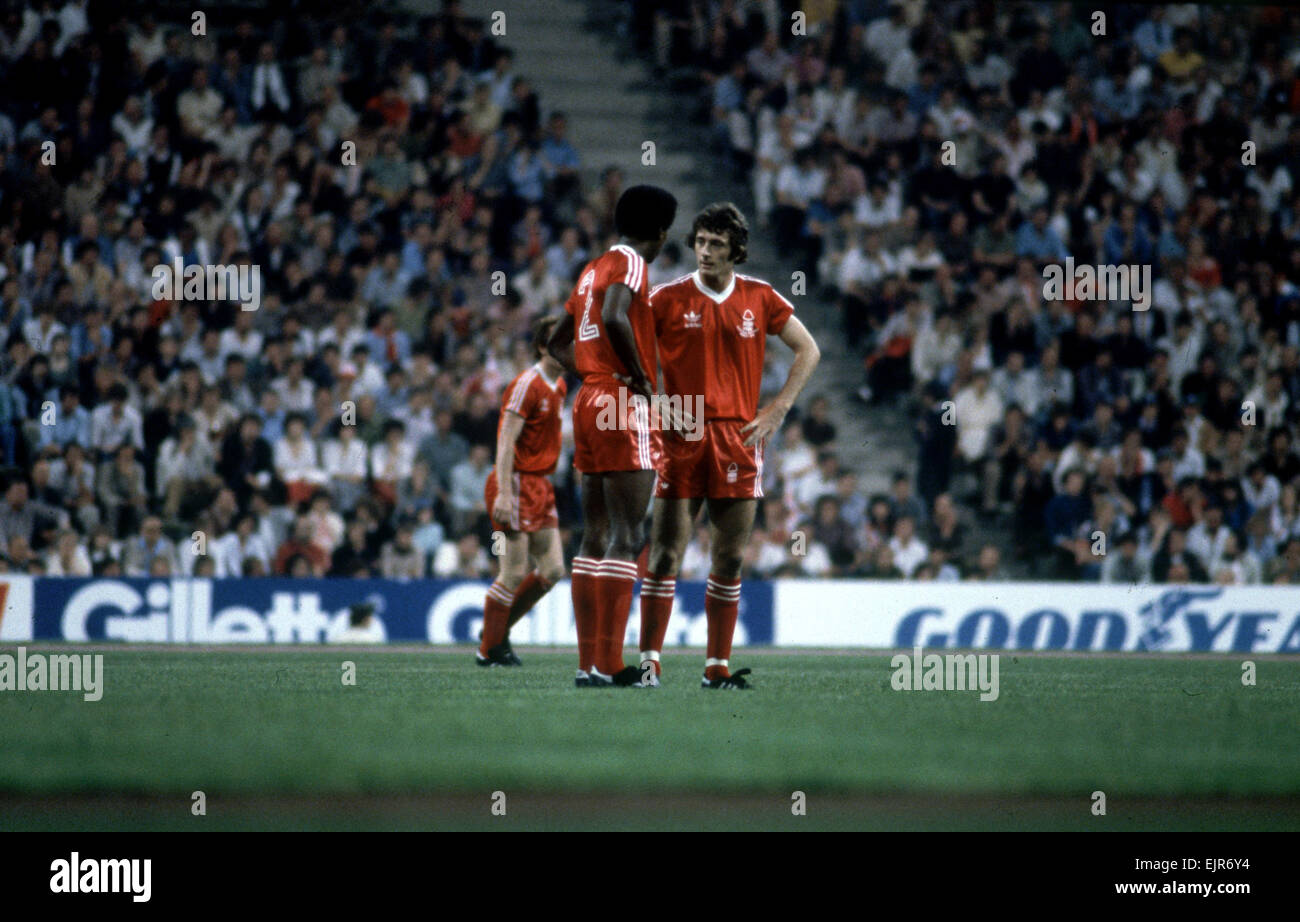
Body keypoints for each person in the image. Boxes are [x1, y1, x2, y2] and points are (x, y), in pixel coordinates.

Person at [640, 202, 821, 688]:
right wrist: (654, 400)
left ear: (736, 250)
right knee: (664, 555)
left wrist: (779, 407)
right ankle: (648, 662)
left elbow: (809, 349)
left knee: (730, 558)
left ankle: (715, 667)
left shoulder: (760, 297)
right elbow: (626, 349)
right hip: (684, 435)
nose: (705, 251)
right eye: (700, 242)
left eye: (716, 244)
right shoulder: (666, 298)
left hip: (738, 438)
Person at [547, 184, 678, 687]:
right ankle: (609, 664)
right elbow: (615, 316)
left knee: (594, 535)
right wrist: (642, 378)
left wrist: (592, 373)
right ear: (661, 231)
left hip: (587, 401)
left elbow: (558, 340)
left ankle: (588, 667)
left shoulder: (590, 268)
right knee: (630, 535)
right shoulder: (631, 263)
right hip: (622, 400)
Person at [476, 317, 568, 666]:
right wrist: (503, 491)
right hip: (515, 480)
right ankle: (489, 649)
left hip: (540, 484)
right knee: (513, 571)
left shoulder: (558, 385)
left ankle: (494, 635)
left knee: (553, 569)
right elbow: (505, 441)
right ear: (543, 347)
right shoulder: (526, 384)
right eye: (560, 342)